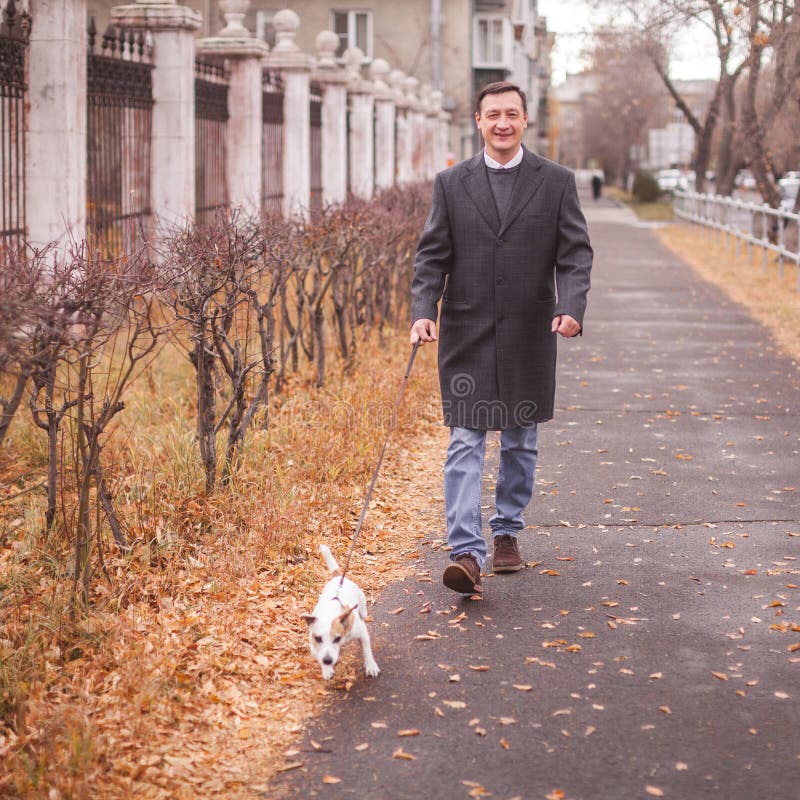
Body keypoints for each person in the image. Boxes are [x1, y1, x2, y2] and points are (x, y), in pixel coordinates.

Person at [409, 81, 593, 595]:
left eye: (511, 114)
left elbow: (575, 254)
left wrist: (571, 306)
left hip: (531, 332)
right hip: (466, 333)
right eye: (493, 115)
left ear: (525, 120)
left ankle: (507, 532)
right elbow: (432, 256)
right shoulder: (451, 183)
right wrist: (423, 311)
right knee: (465, 441)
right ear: (478, 121)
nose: (503, 123)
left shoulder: (556, 182)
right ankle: (466, 553)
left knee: (519, 440)